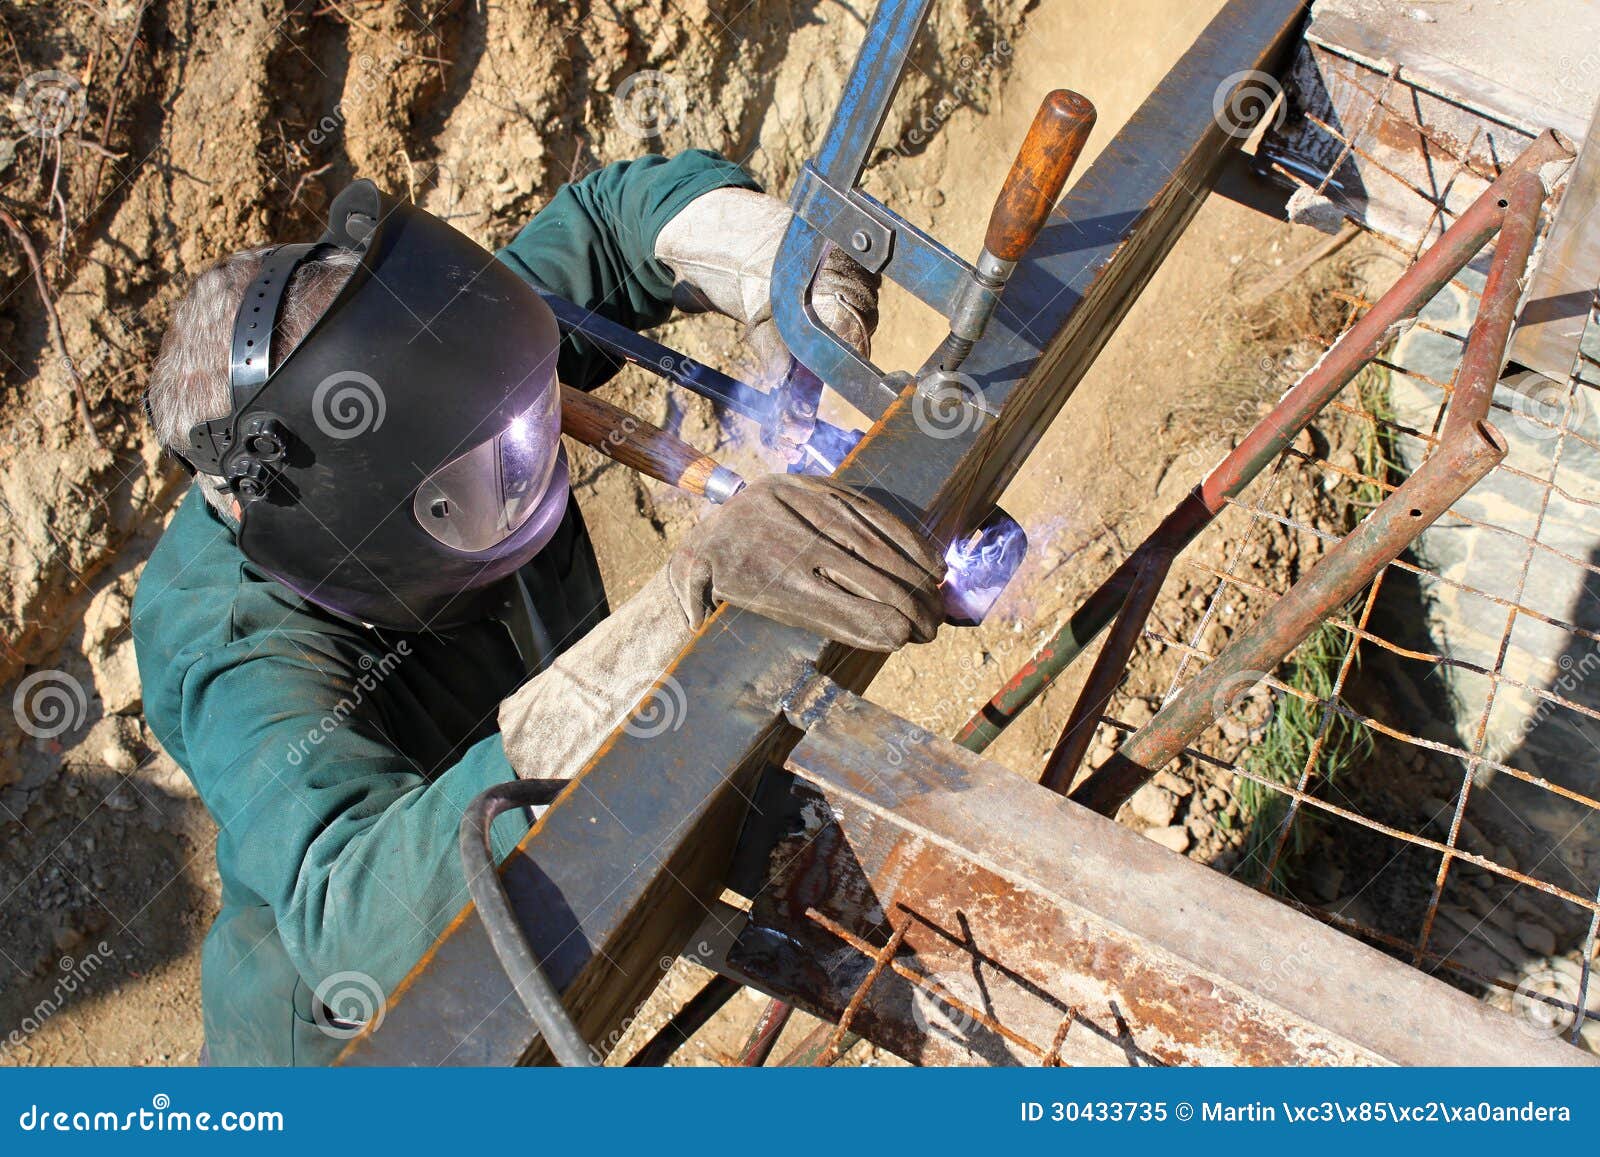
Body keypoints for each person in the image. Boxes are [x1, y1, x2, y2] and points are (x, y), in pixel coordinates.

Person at [131, 150, 945, 1066]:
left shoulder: (415, 367)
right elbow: (355, 915)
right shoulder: (235, 640)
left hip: (569, 835)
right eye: (471, 489)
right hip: (373, 1049)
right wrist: (676, 609)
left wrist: (766, 258)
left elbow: (603, 224)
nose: (518, 473)